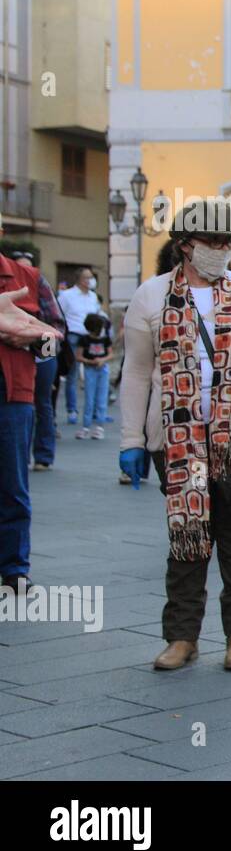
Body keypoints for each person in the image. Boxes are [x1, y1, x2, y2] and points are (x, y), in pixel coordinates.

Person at [119, 200, 231, 672]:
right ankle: (182, 637)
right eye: (213, 242)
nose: (223, 250)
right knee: (187, 537)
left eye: (229, 243)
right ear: (185, 245)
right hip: (177, 443)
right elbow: (137, 373)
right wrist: (130, 442)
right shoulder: (150, 297)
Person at [0, 225, 62, 592]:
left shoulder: (29, 278)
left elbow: (57, 335)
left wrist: (34, 340)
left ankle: (14, 568)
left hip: (13, 395)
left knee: (13, 484)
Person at [11, 252, 64, 472]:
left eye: (27, 267)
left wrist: (43, 356)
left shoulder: (37, 281)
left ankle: (43, 455)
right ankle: (18, 457)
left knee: (42, 403)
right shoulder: (7, 282)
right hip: (12, 356)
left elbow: (56, 325)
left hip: (41, 354)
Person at [57, 267, 101, 425]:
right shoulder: (67, 296)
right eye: (88, 277)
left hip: (91, 338)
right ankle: (72, 410)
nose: (90, 280)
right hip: (74, 336)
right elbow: (59, 315)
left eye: (91, 277)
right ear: (80, 279)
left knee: (96, 372)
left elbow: (96, 315)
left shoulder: (93, 297)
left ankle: (97, 411)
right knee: (73, 374)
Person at [73, 313, 112, 440]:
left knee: (101, 399)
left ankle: (99, 427)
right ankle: (86, 427)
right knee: (89, 399)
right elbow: (78, 356)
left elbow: (111, 354)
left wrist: (102, 360)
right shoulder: (84, 339)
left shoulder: (105, 339)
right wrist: (90, 362)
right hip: (90, 370)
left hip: (103, 370)